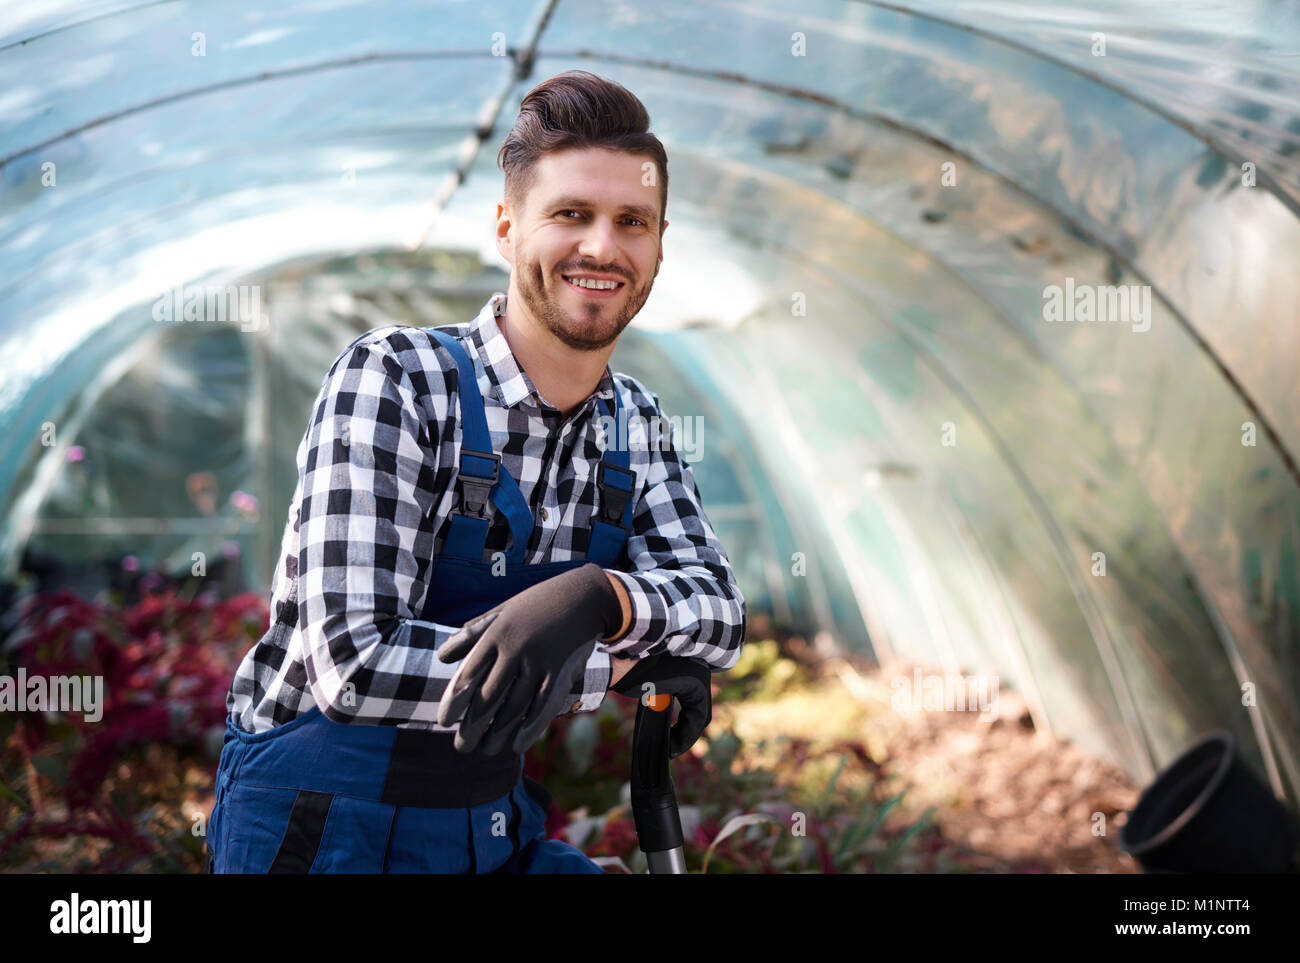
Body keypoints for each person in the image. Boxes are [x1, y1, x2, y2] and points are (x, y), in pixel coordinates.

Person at [207, 69, 746, 873]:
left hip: (484, 826)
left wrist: (599, 596)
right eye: (571, 214)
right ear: (505, 228)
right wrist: (616, 659)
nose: (602, 246)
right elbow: (355, 666)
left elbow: (720, 610)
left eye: (632, 221)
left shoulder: (634, 420)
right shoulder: (396, 379)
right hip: (320, 825)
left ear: (660, 245)